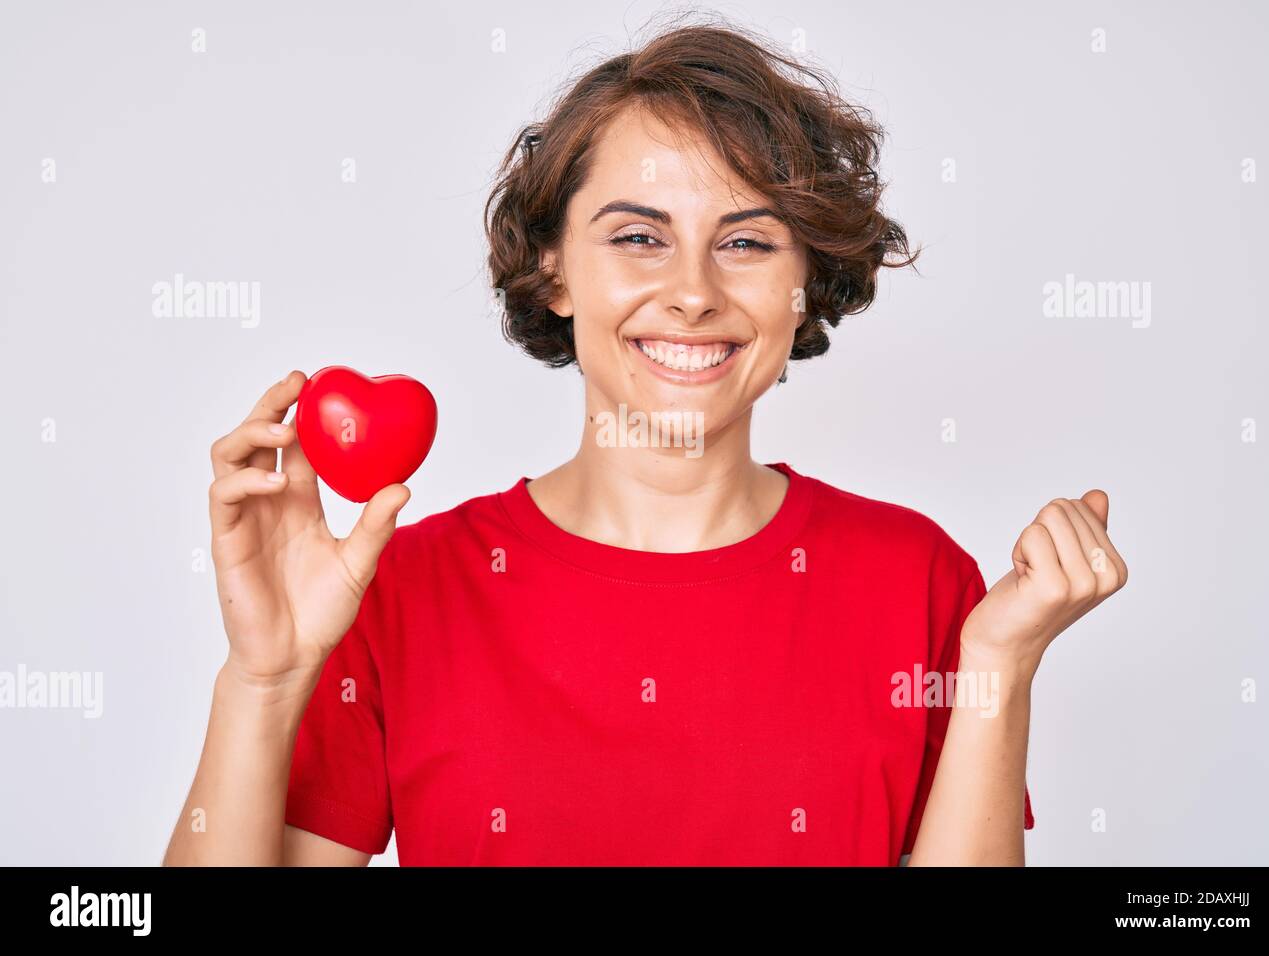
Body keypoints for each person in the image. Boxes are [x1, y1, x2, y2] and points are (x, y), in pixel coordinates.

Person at [163, 19, 1127, 867]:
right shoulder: (398, 591)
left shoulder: (918, 582)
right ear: (553, 271)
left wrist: (999, 665)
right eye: (638, 237)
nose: (695, 291)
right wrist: (267, 679)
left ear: (805, 283)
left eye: (747, 242)